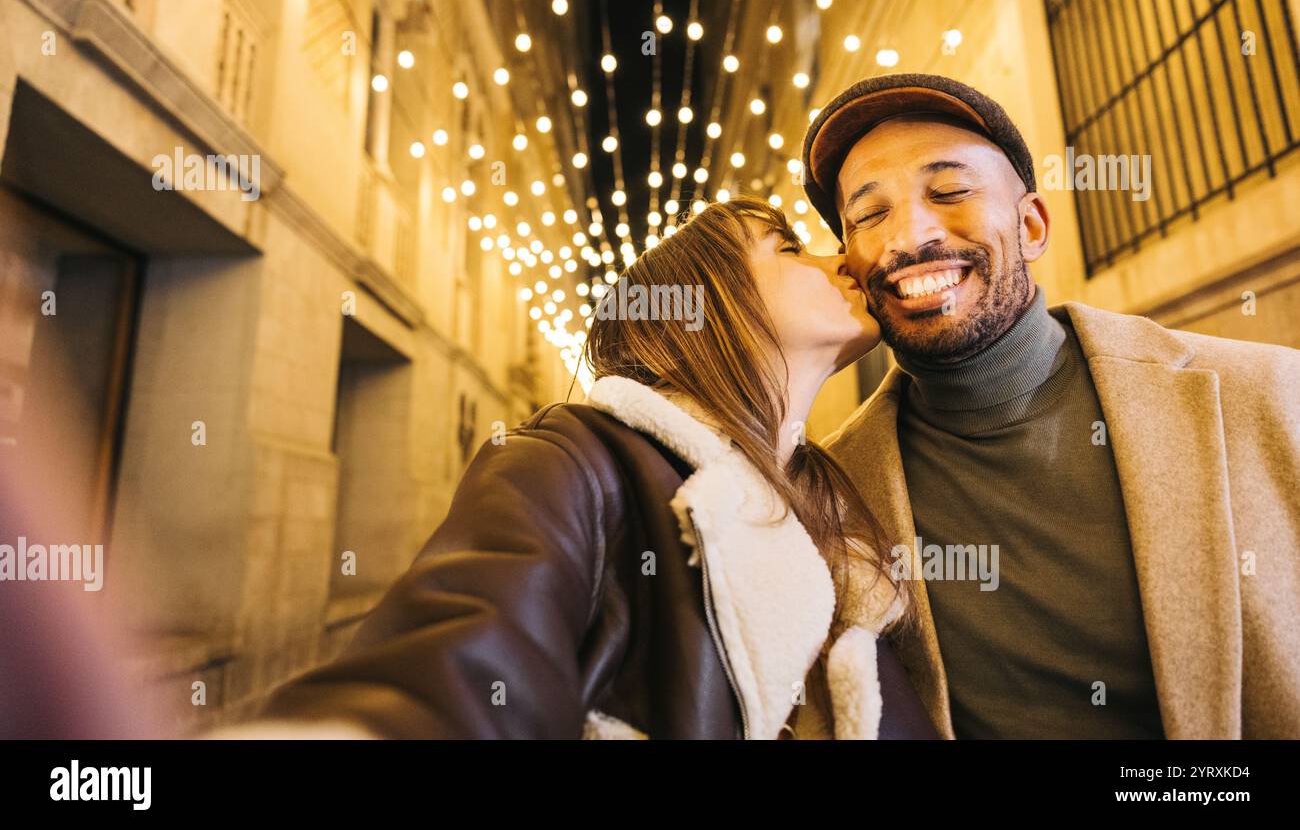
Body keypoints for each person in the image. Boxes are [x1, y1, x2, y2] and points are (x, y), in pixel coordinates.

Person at [212, 199, 937, 740]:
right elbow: (463, 649)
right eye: (786, 247)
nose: (839, 258)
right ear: (709, 309)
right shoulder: (577, 462)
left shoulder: (848, 517)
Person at [801, 72, 1300, 739]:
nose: (908, 237)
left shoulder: (1268, 396)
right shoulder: (828, 497)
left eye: (948, 191)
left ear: (1031, 224)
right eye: (868, 214)